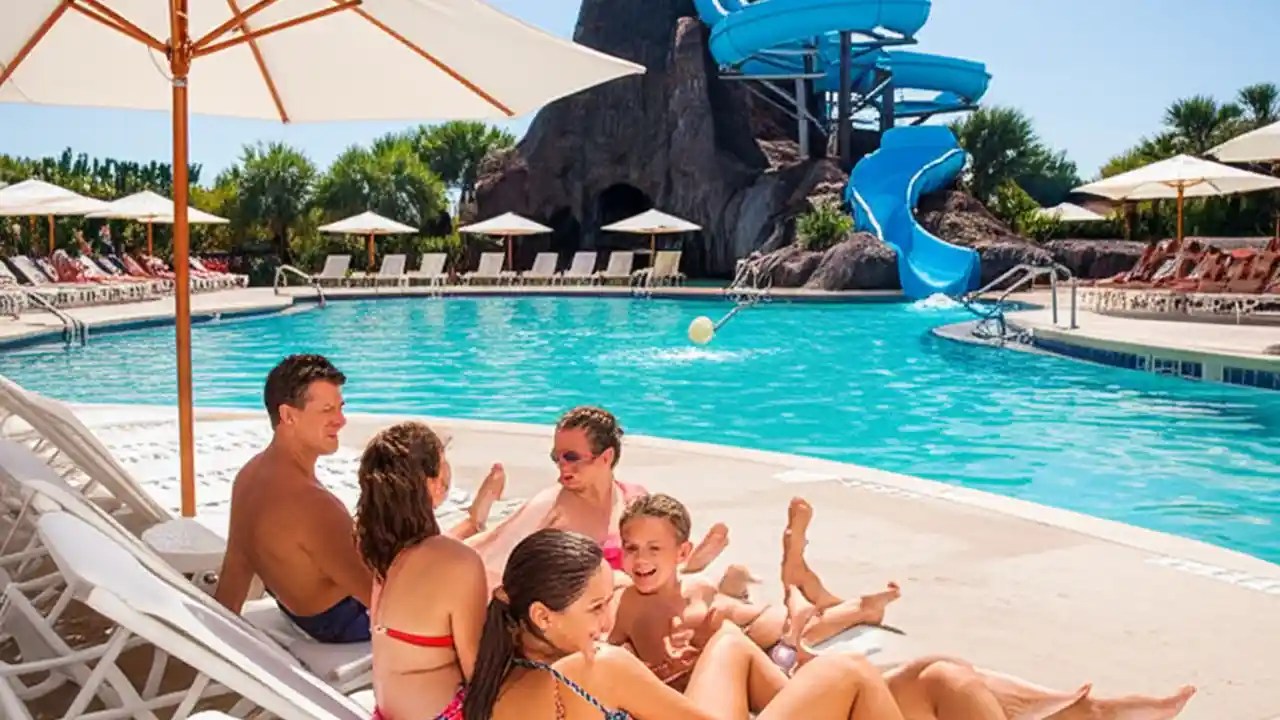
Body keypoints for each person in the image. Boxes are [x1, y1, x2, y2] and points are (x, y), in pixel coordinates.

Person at [461, 529, 1197, 720]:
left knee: (725, 641)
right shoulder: (596, 670)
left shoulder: (496, 689)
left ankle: (1054, 706)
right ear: (540, 613)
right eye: (596, 607)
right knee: (849, 674)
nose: (608, 614)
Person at [214, 354, 502, 643]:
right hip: (344, 622)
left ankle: (470, 523)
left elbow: (237, 567)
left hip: (299, 609)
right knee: (483, 580)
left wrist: (218, 643)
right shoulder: (314, 507)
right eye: (327, 410)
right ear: (288, 415)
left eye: (340, 407)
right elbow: (388, 601)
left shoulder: (250, 476)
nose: (341, 421)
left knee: (417, 547)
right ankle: (469, 524)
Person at [609, 493, 900, 686]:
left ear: (683, 552)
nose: (641, 558)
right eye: (631, 548)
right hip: (732, 655)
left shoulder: (697, 591)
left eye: (654, 548)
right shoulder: (627, 605)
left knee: (800, 632)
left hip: (757, 639)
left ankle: (858, 607)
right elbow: (605, 652)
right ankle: (780, 584)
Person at [464, 405, 729, 592]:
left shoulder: (632, 499)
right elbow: (492, 549)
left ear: (606, 457)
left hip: (632, 595)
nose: (562, 466)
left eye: (572, 457)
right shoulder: (550, 506)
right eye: (557, 458)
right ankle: (476, 516)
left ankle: (688, 567)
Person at [355, 421, 485, 720]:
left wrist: (475, 519)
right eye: (442, 466)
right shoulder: (459, 563)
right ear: (430, 484)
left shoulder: (381, 551)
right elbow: (479, 675)